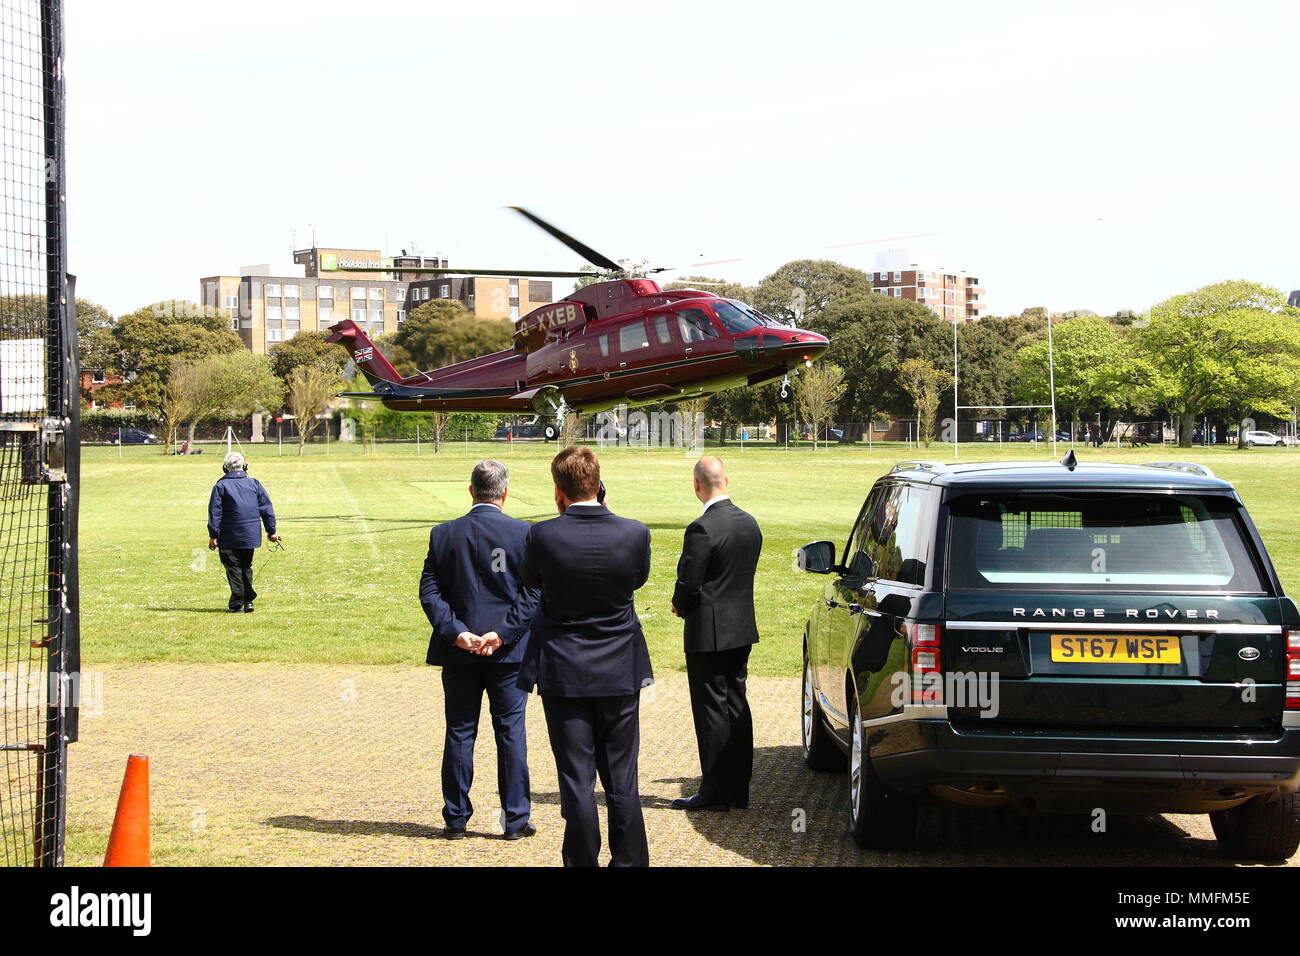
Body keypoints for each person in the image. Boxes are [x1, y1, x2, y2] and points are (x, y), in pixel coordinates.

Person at [517, 446, 653, 867]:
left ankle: (581, 860)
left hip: (564, 669)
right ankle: (629, 861)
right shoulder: (635, 532)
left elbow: (531, 580)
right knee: (622, 777)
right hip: (619, 667)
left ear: (559, 492)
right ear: (599, 484)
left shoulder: (542, 534)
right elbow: (639, 579)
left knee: (576, 779)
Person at [419, 460, 540, 841]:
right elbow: (533, 593)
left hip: (460, 652)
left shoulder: (444, 534)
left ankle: (456, 819)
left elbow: (430, 591)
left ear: (471, 490)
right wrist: (502, 634)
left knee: (459, 731)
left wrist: (456, 632)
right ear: (504, 493)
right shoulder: (524, 534)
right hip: (508, 654)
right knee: (510, 733)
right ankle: (515, 821)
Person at [670, 456, 762, 811]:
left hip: (708, 632)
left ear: (697, 485)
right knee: (737, 705)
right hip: (741, 628)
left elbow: (690, 582)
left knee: (711, 710)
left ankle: (714, 791)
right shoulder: (749, 524)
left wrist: (679, 604)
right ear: (728, 480)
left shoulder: (702, 528)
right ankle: (738, 788)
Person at [207, 452, 279, 613]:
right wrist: (271, 531)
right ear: (244, 466)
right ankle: (248, 602)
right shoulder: (254, 483)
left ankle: (238, 602)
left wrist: (213, 535)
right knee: (246, 567)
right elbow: (267, 509)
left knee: (233, 568)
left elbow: (215, 513)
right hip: (250, 535)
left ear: (226, 468)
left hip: (228, 535)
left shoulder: (220, 486)